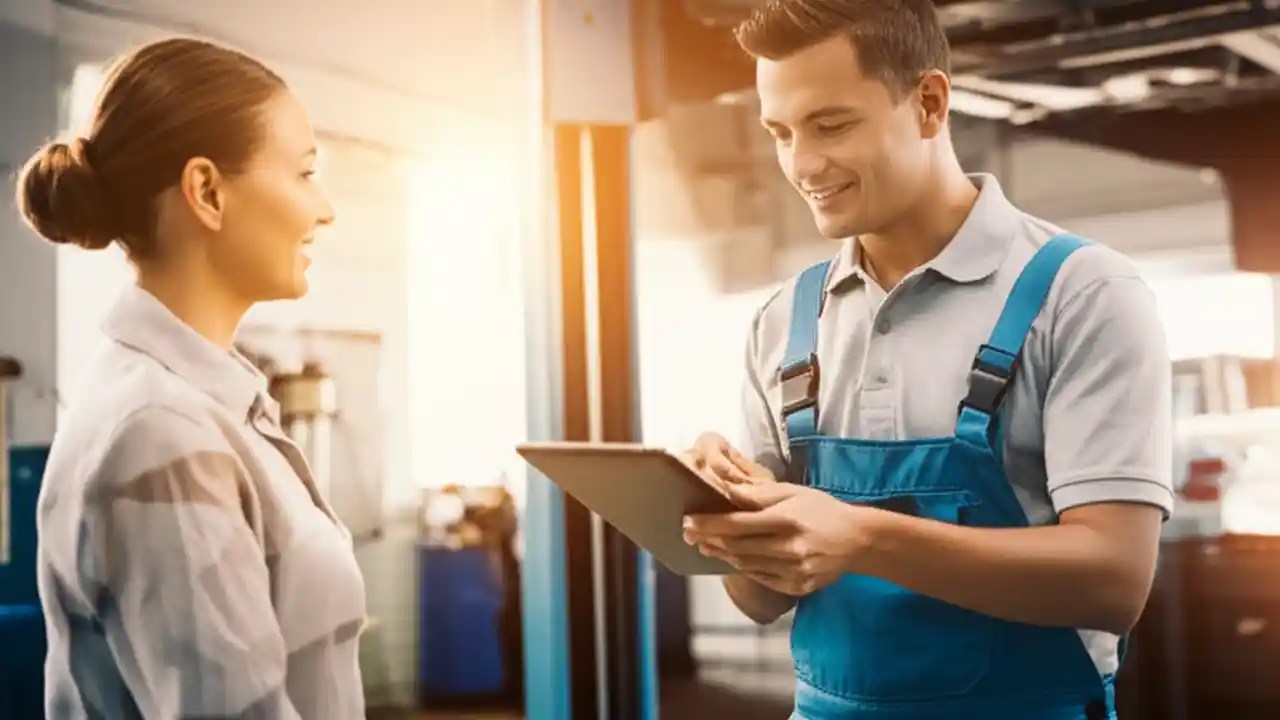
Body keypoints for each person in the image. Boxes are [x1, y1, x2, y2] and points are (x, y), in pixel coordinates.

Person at [679, 2, 1172, 719]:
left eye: (831, 124)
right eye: (781, 133)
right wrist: (724, 516)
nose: (802, 165)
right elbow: (759, 600)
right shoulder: (783, 320)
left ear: (930, 104)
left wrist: (862, 537)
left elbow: (1114, 582)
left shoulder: (1083, 294)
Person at [18, 37, 365, 719]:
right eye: (303, 173)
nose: (324, 208)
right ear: (206, 191)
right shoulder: (161, 434)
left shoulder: (203, 407)